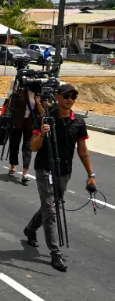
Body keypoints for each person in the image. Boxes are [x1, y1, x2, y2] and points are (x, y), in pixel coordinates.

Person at [24, 83, 95, 272]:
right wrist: (43, 134)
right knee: (51, 210)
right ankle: (55, 253)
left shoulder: (78, 122)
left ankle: (31, 228)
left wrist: (91, 175)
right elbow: (33, 146)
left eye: (73, 96)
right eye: (66, 95)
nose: (70, 99)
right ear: (57, 96)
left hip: (64, 171)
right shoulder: (45, 118)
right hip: (45, 169)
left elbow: (82, 151)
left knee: (52, 206)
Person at [7, 79, 36, 184]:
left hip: (30, 123)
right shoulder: (19, 89)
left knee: (27, 147)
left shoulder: (37, 92)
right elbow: (10, 102)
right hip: (17, 121)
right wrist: (16, 93)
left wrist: (38, 102)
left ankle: (25, 173)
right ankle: (13, 166)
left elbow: (41, 110)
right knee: (14, 144)